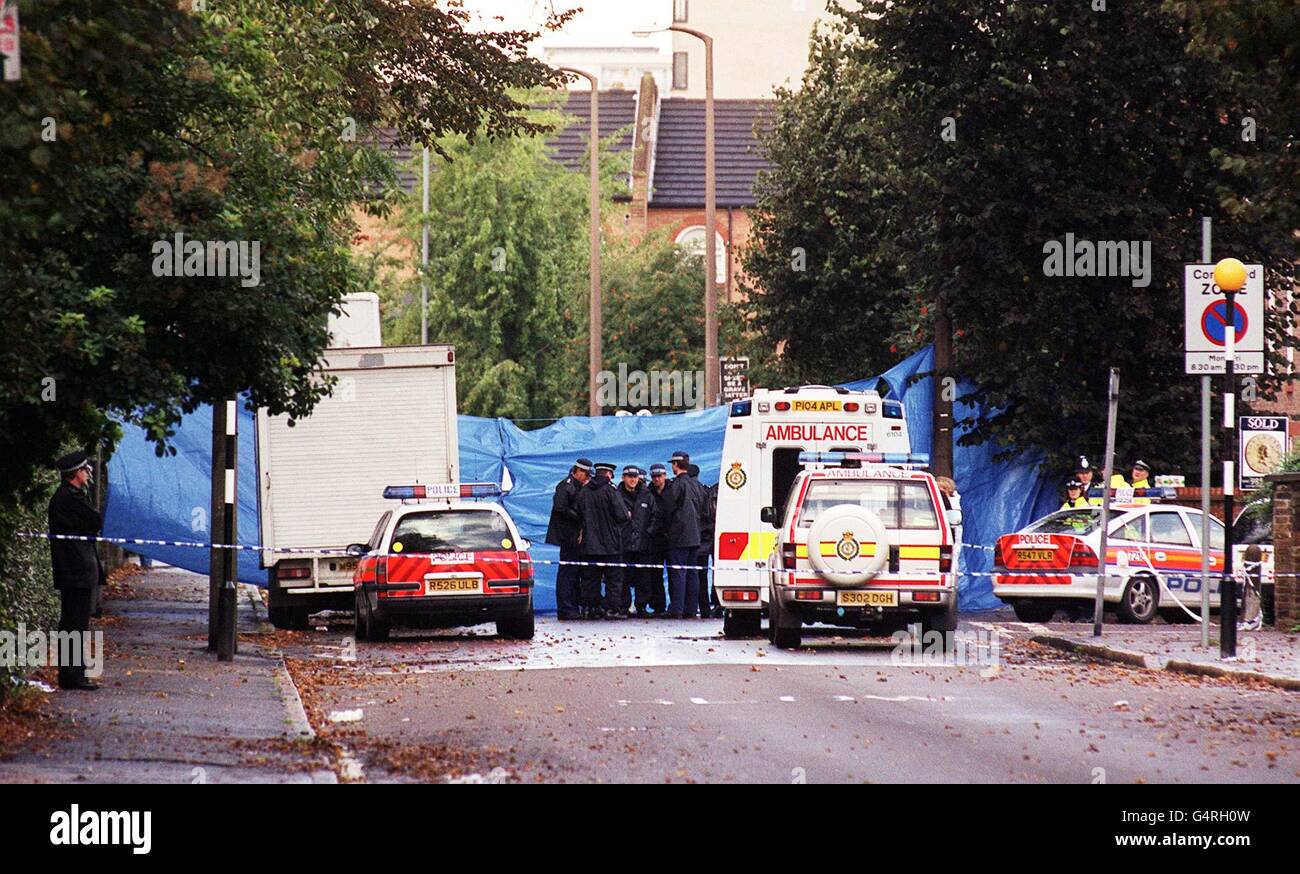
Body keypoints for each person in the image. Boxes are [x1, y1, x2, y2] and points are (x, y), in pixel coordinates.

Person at [47, 451, 104, 691]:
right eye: (85, 471)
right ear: (76, 474)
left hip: (75, 570)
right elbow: (95, 521)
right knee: (74, 624)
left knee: (76, 623)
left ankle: (74, 673)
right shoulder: (69, 498)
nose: (88, 475)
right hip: (75, 570)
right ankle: (72, 676)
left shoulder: (67, 497)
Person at [576, 461, 630, 619]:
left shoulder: (584, 491)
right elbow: (622, 515)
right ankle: (611, 609)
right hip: (611, 543)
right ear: (609, 474)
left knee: (590, 578)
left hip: (589, 543)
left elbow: (578, 512)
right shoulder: (611, 490)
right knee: (613, 577)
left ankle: (589, 608)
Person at [545, 458, 591, 620]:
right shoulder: (566, 486)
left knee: (574, 572)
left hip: (574, 535)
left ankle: (573, 606)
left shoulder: (577, 486)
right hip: (567, 536)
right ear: (577, 471)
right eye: (585, 473)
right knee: (567, 573)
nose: (587, 477)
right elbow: (560, 507)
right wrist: (578, 517)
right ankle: (566, 608)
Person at [659, 451, 701, 619]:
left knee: (678, 573)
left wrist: (667, 529)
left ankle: (677, 609)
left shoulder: (676, 485)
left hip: (679, 536)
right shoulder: (696, 485)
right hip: (695, 536)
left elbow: (668, 509)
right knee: (692, 573)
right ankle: (691, 609)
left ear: (675, 465)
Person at [618, 465, 658, 617]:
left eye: (635, 477)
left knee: (644, 578)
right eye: (629, 477)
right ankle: (624, 607)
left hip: (643, 544)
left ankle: (641, 606)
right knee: (623, 577)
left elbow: (655, 516)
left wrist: (648, 533)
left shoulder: (647, 495)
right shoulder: (617, 494)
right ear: (623, 478)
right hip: (624, 543)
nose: (633, 480)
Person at [690, 464, 719, 619]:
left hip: (702, 537)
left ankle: (705, 607)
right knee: (716, 572)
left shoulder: (704, 490)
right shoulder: (706, 490)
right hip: (714, 537)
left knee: (701, 574)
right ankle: (714, 605)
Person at [642, 463, 670, 614]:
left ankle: (675, 606)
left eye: (659, 476)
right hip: (655, 539)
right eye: (654, 477)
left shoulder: (672, 490)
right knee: (655, 574)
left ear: (665, 475)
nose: (657, 479)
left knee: (674, 574)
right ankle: (658, 606)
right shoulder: (648, 492)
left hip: (671, 538)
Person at [934, 476, 963, 575]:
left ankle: (951, 576)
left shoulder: (953, 500)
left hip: (952, 529)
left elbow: (954, 518)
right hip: (949, 528)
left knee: (952, 556)